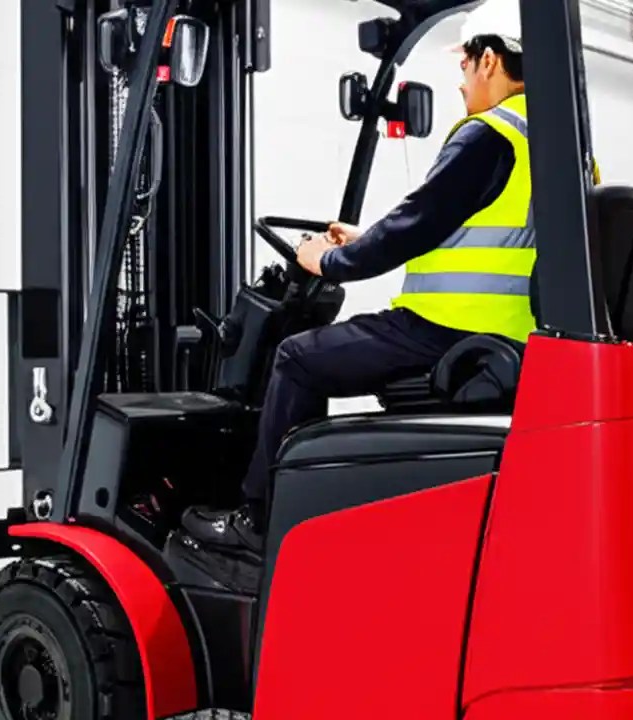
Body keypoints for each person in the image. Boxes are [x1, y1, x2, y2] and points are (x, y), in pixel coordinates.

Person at [181, 5, 598, 555]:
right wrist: (365, 237)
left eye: (466, 67)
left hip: (447, 331)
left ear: (490, 60)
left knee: (297, 358)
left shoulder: (489, 135)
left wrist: (326, 261)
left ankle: (259, 523)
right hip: (518, 339)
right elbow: (460, 229)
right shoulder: (563, 148)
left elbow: (415, 223)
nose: (461, 82)